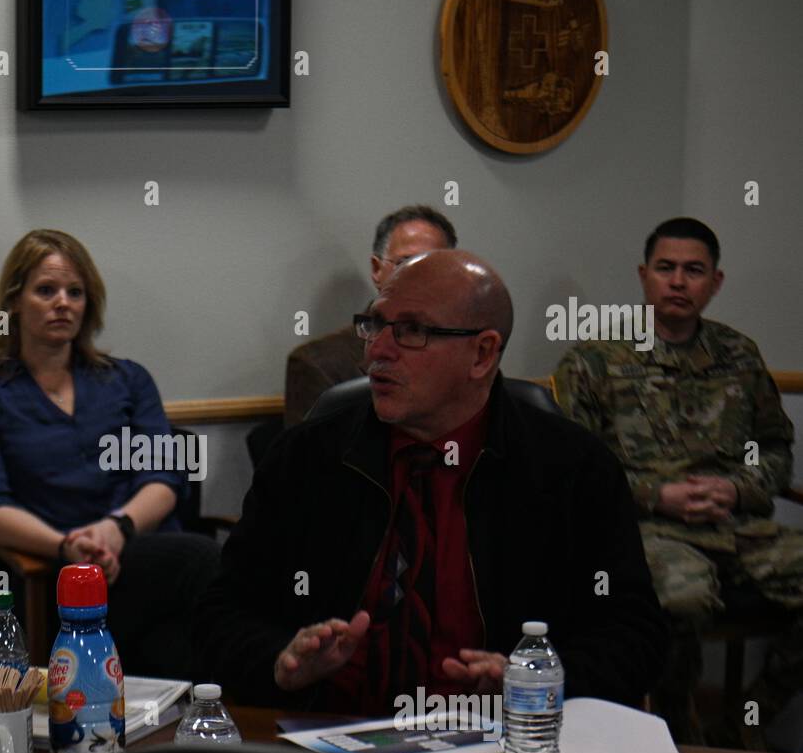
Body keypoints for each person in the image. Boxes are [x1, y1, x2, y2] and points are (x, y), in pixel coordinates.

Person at [195, 250, 664, 713]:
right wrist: (278, 663)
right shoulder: (307, 459)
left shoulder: (571, 469)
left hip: (502, 748)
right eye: (375, 325)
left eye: (413, 331)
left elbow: (633, 635)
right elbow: (224, 609)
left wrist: (534, 680)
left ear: (481, 354)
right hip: (328, 741)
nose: (377, 351)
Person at [553, 218, 801, 746]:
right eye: (666, 269)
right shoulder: (594, 360)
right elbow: (572, 469)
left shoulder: (739, 355)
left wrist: (740, 488)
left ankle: (742, 728)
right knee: (679, 601)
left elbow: (776, 449)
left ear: (716, 282)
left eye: (694, 270)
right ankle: (677, 740)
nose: (678, 282)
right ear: (644, 276)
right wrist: (655, 494)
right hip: (646, 531)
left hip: (735, 525)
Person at [0, 230, 219, 677]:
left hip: (139, 553)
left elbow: (167, 479)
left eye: (76, 292)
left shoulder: (129, 380)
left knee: (191, 626)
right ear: (14, 301)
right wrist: (68, 546)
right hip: (54, 572)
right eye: (46, 290)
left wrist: (117, 528)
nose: (63, 303)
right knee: (203, 566)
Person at [284, 205, 457, 426]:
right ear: (377, 270)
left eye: (434, 266)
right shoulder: (318, 363)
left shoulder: (463, 350)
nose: (420, 277)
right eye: (406, 263)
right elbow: (310, 458)